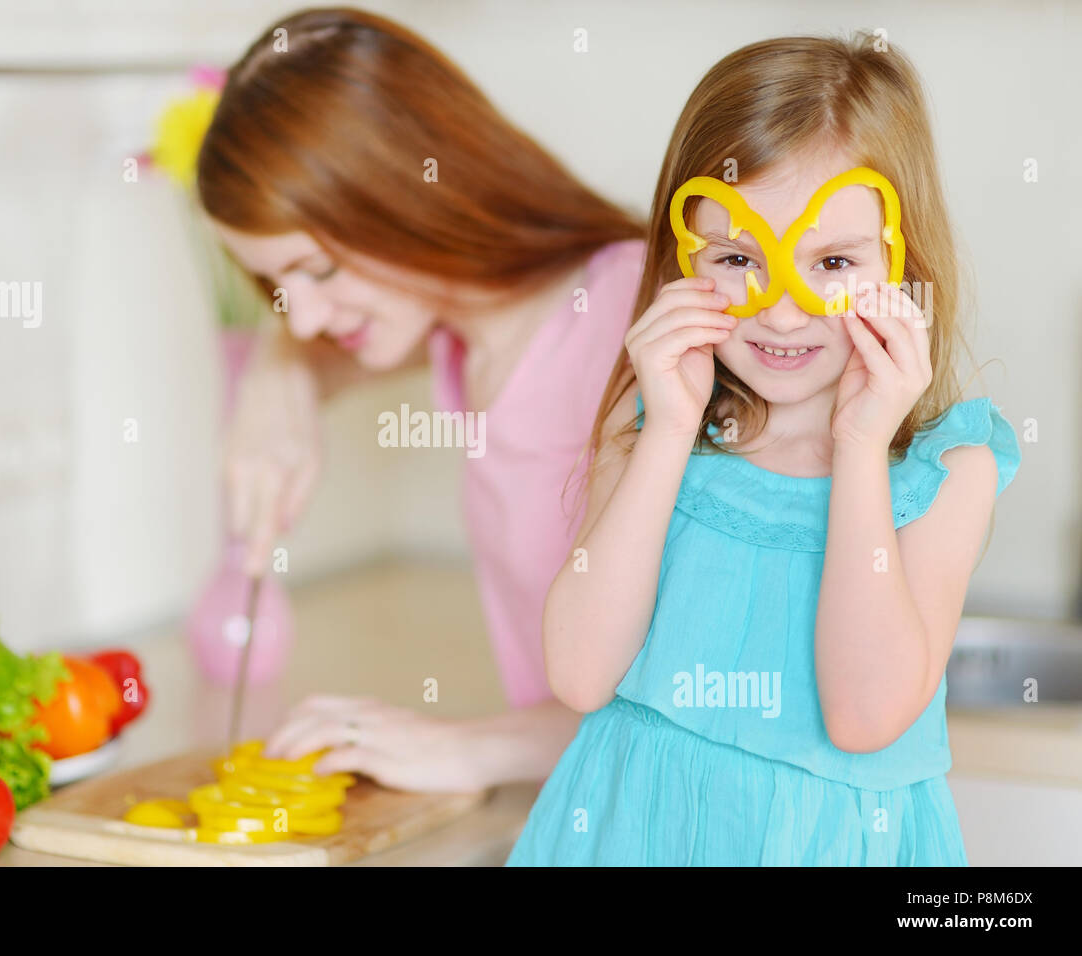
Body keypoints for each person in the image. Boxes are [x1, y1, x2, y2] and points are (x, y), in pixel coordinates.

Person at [507, 33, 1022, 865]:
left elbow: (864, 716)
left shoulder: (944, 474)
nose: (783, 312)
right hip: (628, 828)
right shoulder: (650, 425)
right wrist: (669, 431)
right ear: (684, 255)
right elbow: (579, 674)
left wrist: (859, 448)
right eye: (741, 258)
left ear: (900, 259)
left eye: (833, 262)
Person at [196, 8, 646, 791]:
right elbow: (310, 350)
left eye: (318, 270)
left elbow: (713, 698)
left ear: (406, 191)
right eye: (273, 284)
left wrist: (474, 749)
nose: (297, 315)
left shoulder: (627, 317)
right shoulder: (456, 336)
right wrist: (278, 380)